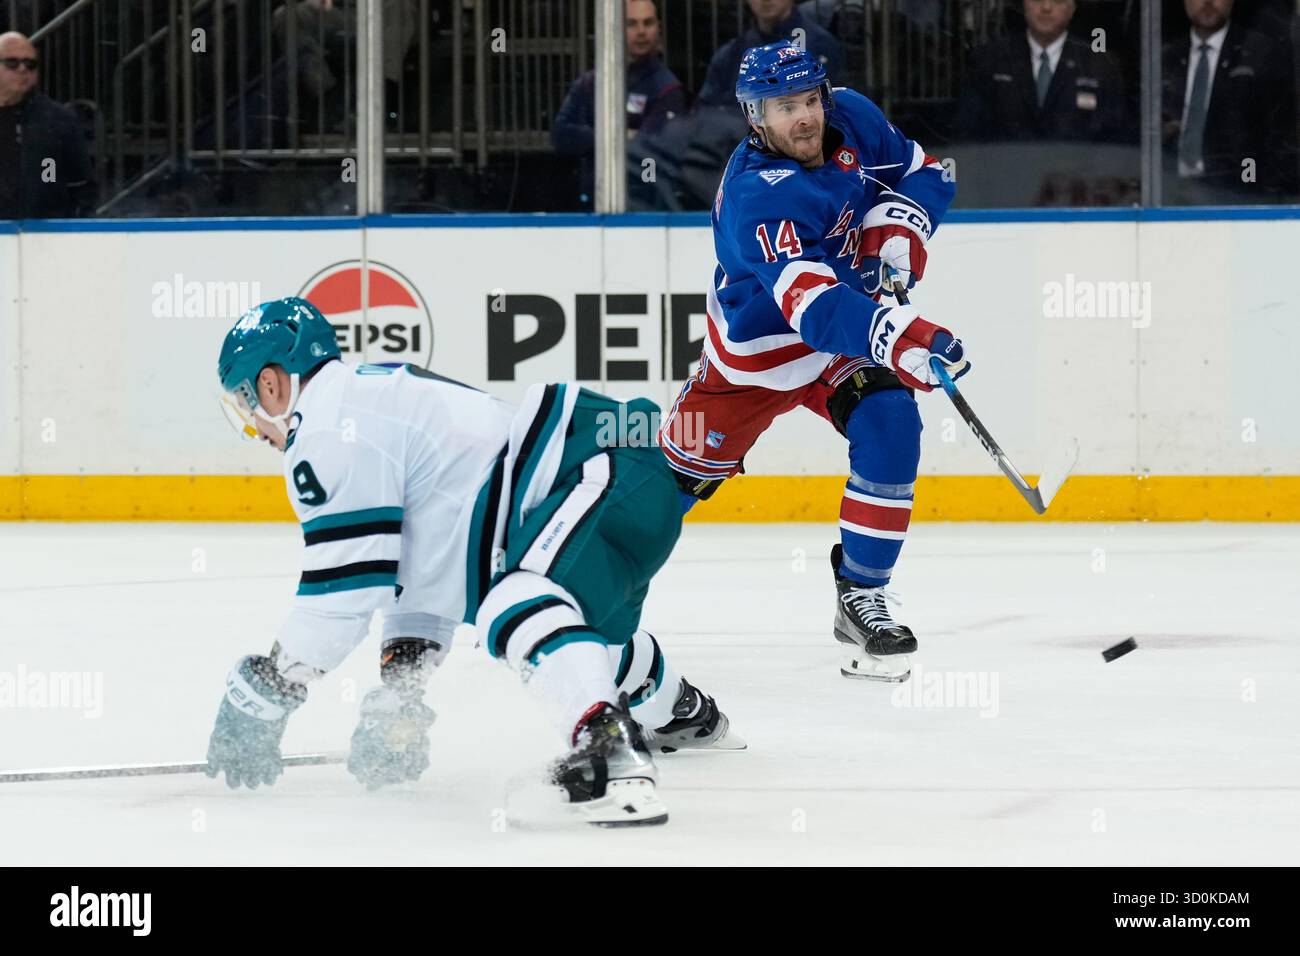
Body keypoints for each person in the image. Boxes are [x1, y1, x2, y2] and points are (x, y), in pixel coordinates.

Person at [205, 299, 740, 826]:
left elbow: (341, 595)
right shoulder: (364, 399)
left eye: (245, 403)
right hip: (621, 469)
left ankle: (609, 755)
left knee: (513, 601)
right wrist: (401, 696)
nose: (255, 429)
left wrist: (269, 689)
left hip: (600, 469)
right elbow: (416, 577)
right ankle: (679, 712)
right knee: (566, 635)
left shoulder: (323, 430)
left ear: (271, 383)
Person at [658, 42, 966, 683]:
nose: (803, 118)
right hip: (757, 357)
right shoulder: (758, 196)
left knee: (890, 422)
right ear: (754, 117)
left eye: (808, 101)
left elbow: (928, 172)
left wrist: (898, 226)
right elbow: (813, 307)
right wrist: (903, 336)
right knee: (664, 490)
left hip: (838, 346)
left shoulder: (849, 116)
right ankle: (583, 585)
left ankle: (861, 595)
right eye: (783, 108)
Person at [1162, 0, 1298, 202]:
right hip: (1168, 190)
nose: (1208, 2)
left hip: (1235, 195)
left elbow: (1278, 142)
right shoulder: (1164, 58)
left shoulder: (1262, 55)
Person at [552, 0, 685, 207]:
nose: (641, 31)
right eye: (631, 23)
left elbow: (653, 148)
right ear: (615, 27)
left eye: (647, 23)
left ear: (658, 28)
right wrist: (617, 136)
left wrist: (595, 137)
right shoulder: (592, 83)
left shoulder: (667, 88)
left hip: (647, 204)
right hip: (588, 202)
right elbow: (561, 136)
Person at [956, 0, 1128, 143]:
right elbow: (968, 136)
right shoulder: (989, 60)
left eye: (1058, 0)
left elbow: (1112, 143)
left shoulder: (1099, 66)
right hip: (1004, 177)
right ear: (1024, 4)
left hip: (1077, 180)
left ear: (1072, 8)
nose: (1046, 7)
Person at [0, 31, 94, 219]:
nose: (22, 70)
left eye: (30, 64)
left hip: (44, 235)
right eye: (12, 63)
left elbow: (81, 185)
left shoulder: (57, 119)